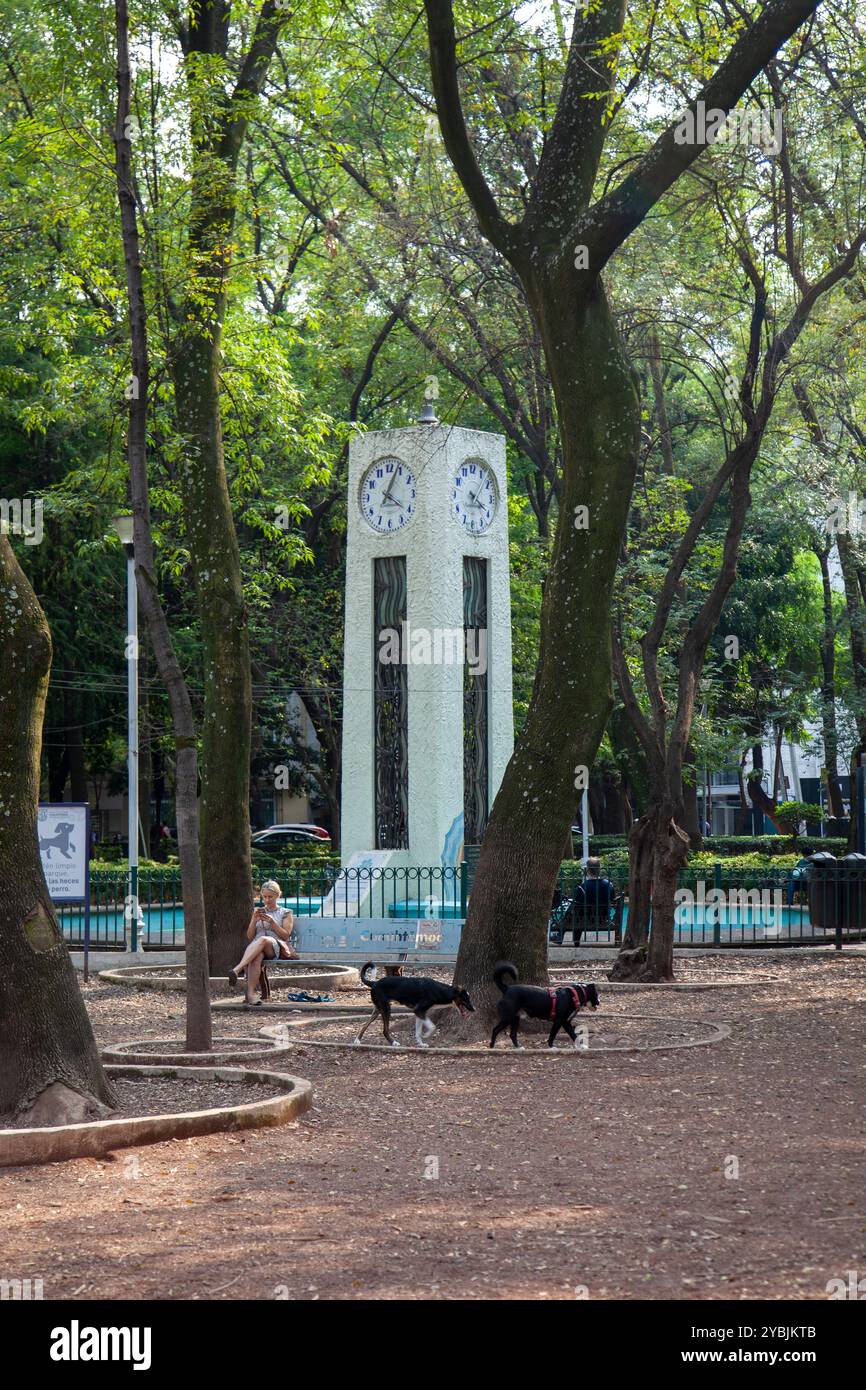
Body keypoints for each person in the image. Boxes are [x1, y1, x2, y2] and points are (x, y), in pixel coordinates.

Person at [228, 880, 295, 1006]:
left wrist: (272, 922)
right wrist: (254, 920)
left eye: (270, 897)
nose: (267, 900)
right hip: (257, 948)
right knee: (256, 958)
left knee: (263, 940)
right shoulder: (258, 911)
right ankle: (251, 995)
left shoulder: (285, 913)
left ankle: (237, 969)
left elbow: (285, 935)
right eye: (264, 897)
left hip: (276, 947)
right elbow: (249, 936)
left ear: (277, 896)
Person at [571, 857, 616, 944]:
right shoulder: (609, 885)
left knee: (574, 913)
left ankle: (568, 938)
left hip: (584, 920)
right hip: (603, 918)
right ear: (599, 869)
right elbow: (613, 901)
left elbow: (577, 905)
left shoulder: (583, 887)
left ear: (588, 870)